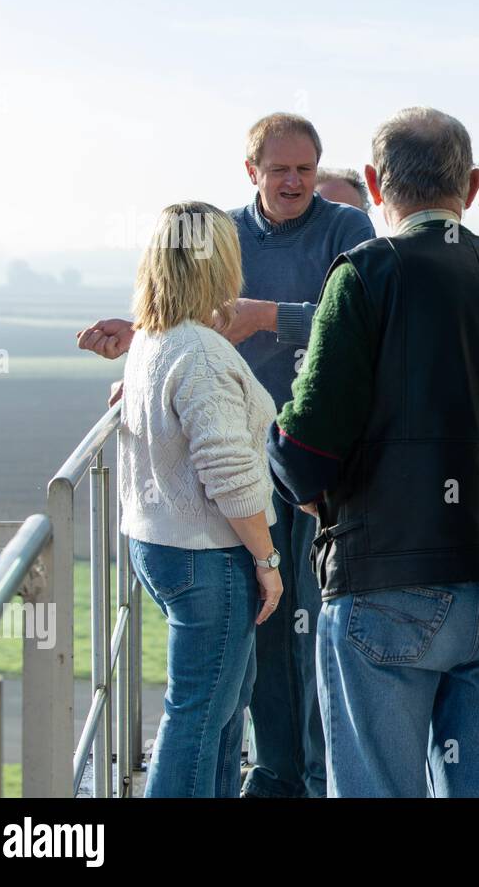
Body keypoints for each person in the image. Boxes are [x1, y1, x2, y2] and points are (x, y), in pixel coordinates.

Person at [268, 107, 479, 798]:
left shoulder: (363, 276)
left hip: (387, 589)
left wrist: (288, 462)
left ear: (372, 183)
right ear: (472, 183)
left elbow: (305, 449)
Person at [77, 113, 376, 799]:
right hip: (243, 465)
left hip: (318, 455)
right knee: (259, 646)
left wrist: (270, 315)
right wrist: (145, 342)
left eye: (306, 168)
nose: (295, 180)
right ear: (252, 173)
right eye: (280, 169)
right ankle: (275, 777)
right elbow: (192, 315)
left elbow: (361, 317)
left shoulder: (345, 230)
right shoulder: (223, 232)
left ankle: (317, 774)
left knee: (315, 629)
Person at [117, 202, 283, 797]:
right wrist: (267, 561)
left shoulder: (153, 339)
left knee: (221, 706)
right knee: (196, 715)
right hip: (208, 554)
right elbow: (229, 471)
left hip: (160, 543)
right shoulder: (200, 351)